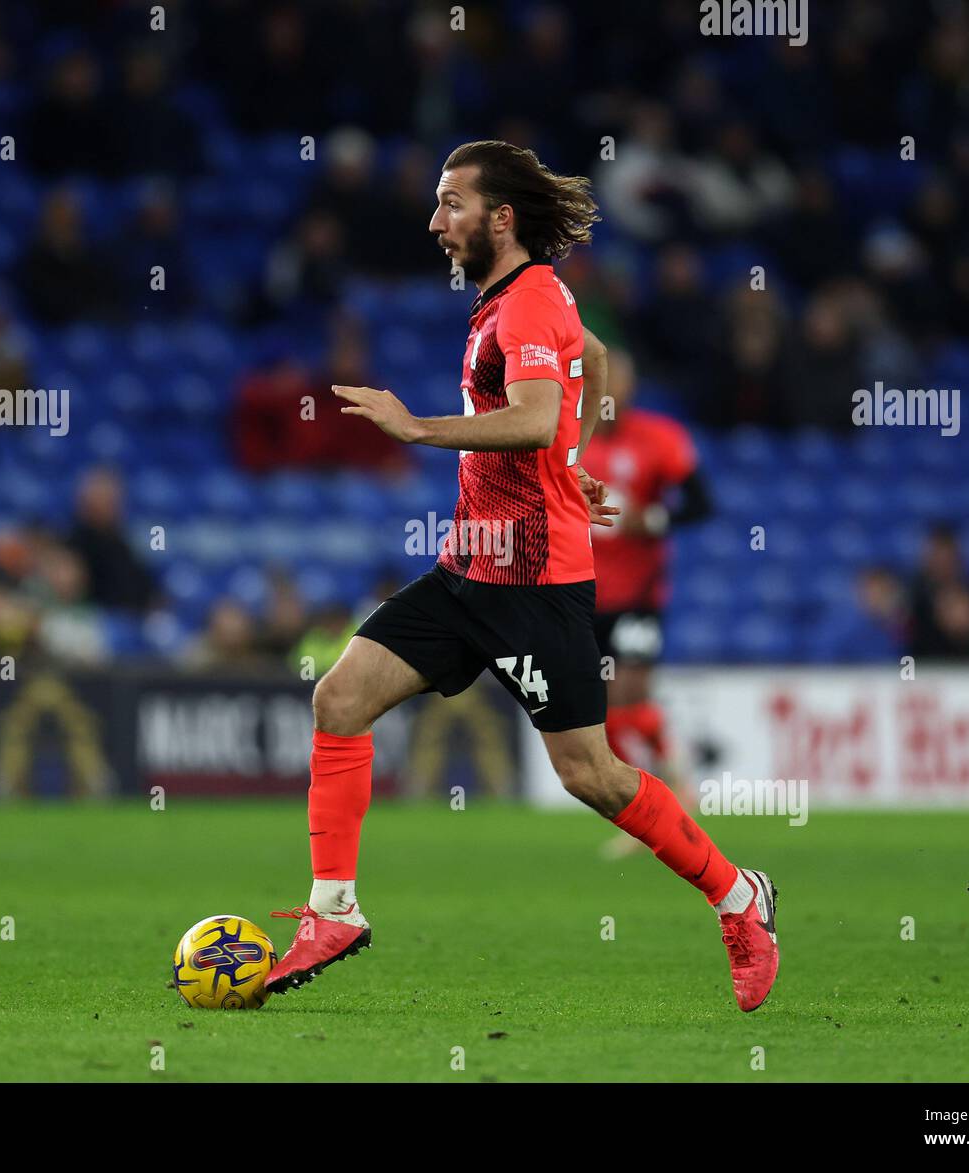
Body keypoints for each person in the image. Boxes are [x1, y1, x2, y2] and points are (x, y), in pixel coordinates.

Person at [264, 141, 779, 1013]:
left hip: (536, 586)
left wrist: (419, 428)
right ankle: (333, 910)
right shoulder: (519, 299)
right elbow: (598, 366)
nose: (435, 222)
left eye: (451, 204)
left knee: (592, 774)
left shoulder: (528, 302)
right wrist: (570, 464)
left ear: (501, 218)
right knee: (338, 699)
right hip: (469, 569)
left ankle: (738, 898)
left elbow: (538, 412)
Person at [583, 347, 712, 856]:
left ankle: (677, 788)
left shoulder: (661, 439)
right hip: (582, 596)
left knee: (629, 695)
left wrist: (652, 520)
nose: (611, 394)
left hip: (639, 595)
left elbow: (702, 505)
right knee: (601, 714)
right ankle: (647, 806)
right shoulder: (570, 442)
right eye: (603, 383)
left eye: (620, 383)